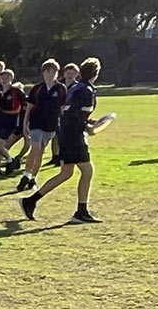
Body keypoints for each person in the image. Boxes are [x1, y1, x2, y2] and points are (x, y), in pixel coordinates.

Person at [21, 57, 102, 225]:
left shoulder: (75, 87)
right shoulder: (87, 91)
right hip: (73, 136)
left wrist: (87, 122)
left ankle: (30, 201)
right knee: (87, 171)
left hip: (65, 134)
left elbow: (70, 112)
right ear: (96, 74)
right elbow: (74, 115)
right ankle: (81, 211)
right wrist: (87, 128)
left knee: (66, 173)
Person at [18, 59, 65, 192]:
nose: (50, 74)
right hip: (36, 122)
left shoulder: (61, 89)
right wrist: (24, 124)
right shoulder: (37, 88)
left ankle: (33, 177)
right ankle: (26, 175)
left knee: (41, 151)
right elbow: (29, 107)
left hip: (51, 125)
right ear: (43, 72)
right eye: (48, 71)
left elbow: (63, 109)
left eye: (54, 71)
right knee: (35, 147)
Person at [0, 68, 27, 176]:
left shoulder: (16, 91)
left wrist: (21, 113)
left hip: (10, 121)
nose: (4, 79)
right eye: (2, 77)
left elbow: (26, 102)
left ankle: (10, 161)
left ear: (11, 78)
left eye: (7, 77)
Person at [49, 62, 80, 167]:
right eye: (68, 72)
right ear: (64, 73)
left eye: (73, 73)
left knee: (65, 136)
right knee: (55, 135)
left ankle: (63, 156)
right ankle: (55, 156)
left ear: (76, 74)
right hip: (56, 113)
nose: (70, 75)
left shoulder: (77, 87)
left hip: (70, 115)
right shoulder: (58, 85)